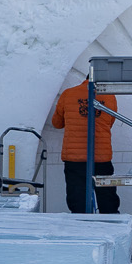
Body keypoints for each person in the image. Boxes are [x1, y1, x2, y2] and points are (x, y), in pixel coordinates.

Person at [50, 79, 121, 215]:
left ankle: (81, 229)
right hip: (101, 157)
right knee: (107, 198)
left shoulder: (68, 94)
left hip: (74, 158)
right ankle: (110, 228)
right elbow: (110, 121)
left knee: (77, 199)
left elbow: (57, 123)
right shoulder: (110, 96)